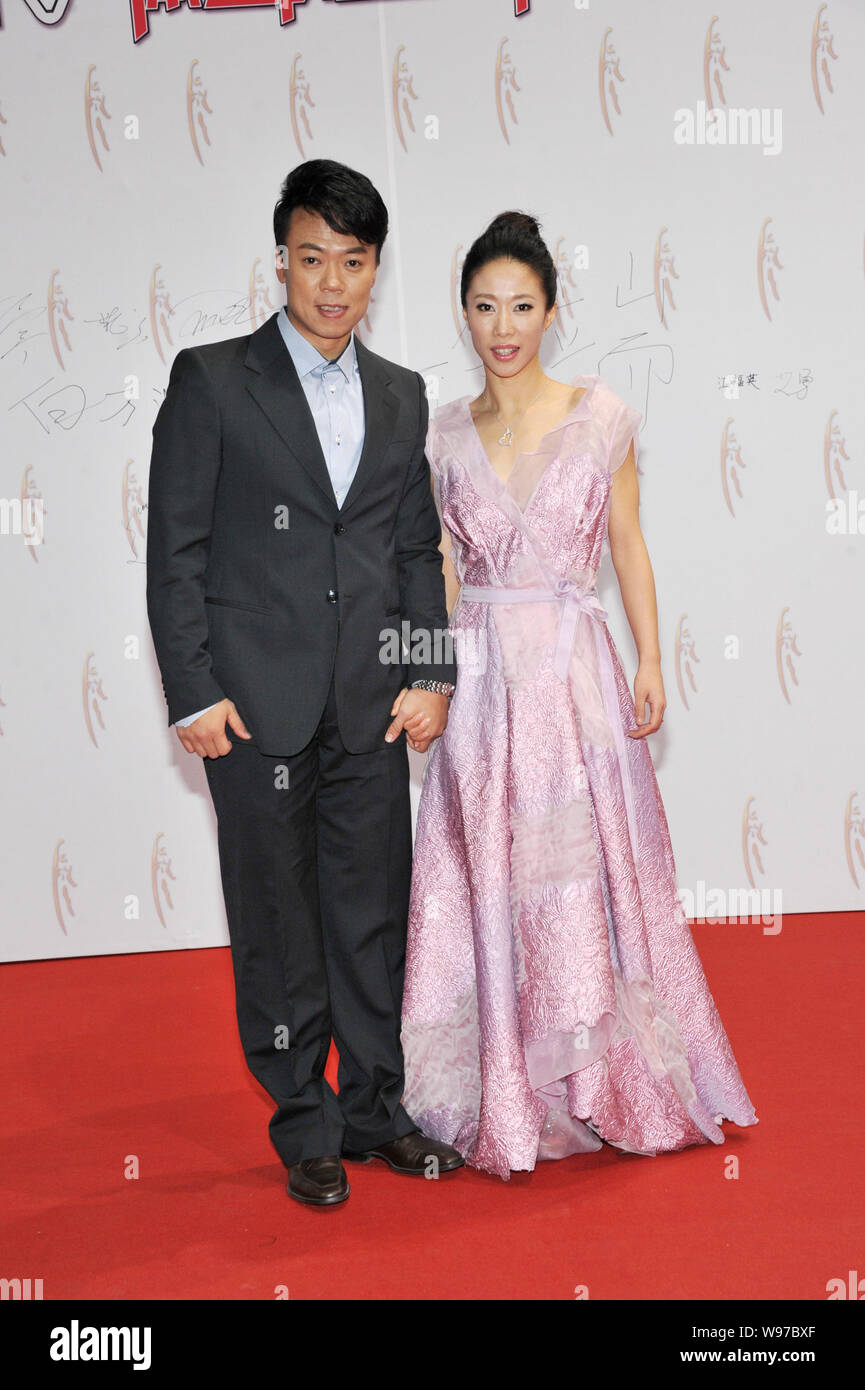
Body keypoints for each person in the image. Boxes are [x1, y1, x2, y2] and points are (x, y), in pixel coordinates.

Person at [400, 211, 758, 1179]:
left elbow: (628, 543)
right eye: (483, 305)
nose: (502, 324)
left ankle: (606, 1081)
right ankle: (505, 1088)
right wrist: (429, 673)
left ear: (550, 311)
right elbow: (433, 568)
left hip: (573, 672)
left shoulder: (600, 416)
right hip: (479, 683)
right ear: (462, 313)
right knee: (490, 874)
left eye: (521, 304)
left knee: (586, 880)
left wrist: (648, 654)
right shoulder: (436, 437)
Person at [146, 159, 463, 1206]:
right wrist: (192, 690)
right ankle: (305, 1123)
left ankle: (378, 1108)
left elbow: (416, 549)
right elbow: (176, 548)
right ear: (279, 257)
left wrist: (429, 678)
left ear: (376, 270)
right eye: (312, 257)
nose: (332, 281)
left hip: (372, 709)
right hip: (253, 709)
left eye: (354, 261)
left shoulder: (401, 394)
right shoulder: (212, 380)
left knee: (372, 914)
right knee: (279, 924)